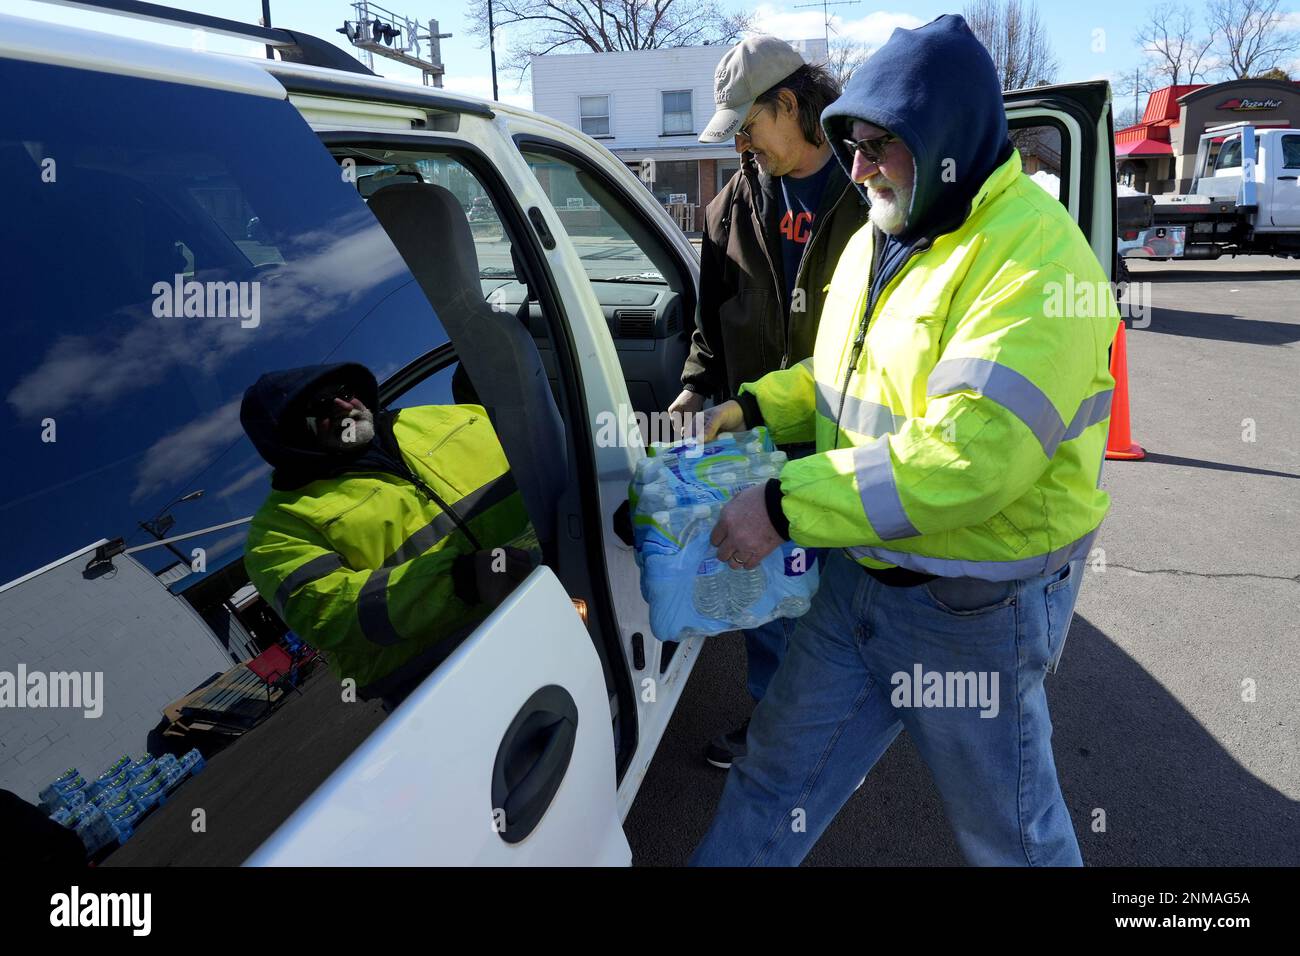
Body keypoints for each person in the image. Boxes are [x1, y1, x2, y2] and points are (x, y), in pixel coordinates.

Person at [689, 14, 1118, 866]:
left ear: (949, 137)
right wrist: (749, 407)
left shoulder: (1037, 263)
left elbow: (969, 456)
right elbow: (840, 380)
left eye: (880, 146)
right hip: (860, 584)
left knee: (1013, 841)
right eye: (850, 143)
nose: (857, 167)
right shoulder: (887, 232)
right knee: (772, 781)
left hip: (970, 609)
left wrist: (781, 506)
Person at [669, 35, 869, 769]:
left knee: (841, 603)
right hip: (754, 445)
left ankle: (838, 726)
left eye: (748, 127)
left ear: (790, 104)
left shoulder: (872, 195)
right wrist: (695, 388)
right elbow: (707, 325)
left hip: (848, 445)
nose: (743, 145)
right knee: (766, 601)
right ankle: (775, 730)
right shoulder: (727, 208)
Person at [241, 363, 534, 706]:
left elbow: (540, 449)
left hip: (566, 587)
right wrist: (458, 580)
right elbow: (329, 613)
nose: (343, 406)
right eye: (321, 406)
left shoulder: (444, 418)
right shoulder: (276, 530)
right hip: (443, 679)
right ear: (287, 435)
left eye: (345, 393)